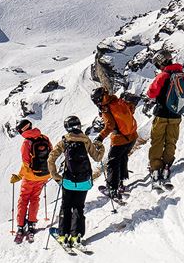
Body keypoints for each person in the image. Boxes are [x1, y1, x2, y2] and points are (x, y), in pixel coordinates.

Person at [48, 115, 103, 248]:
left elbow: (51, 159)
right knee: (79, 207)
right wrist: (100, 147)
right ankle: (76, 236)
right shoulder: (86, 140)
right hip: (84, 182)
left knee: (66, 207)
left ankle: (63, 235)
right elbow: (97, 158)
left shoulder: (64, 141)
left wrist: (56, 177)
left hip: (68, 182)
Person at [146, 53, 184, 187]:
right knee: (171, 140)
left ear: (161, 63)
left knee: (157, 140)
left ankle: (155, 168)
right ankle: (167, 165)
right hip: (176, 114)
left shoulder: (163, 76)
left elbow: (151, 93)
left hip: (161, 114)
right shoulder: (181, 75)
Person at [91, 88, 139, 199]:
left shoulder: (106, 108)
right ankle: (121, 183)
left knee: (112, 163)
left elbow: (110, 126)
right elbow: (131, 110)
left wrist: (100, 137)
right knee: (122, 158)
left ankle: (112, 189)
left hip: (119, 139)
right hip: (132, 137)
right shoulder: (118, 101)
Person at [9, 119, 52, 241]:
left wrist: (19, 176)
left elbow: (26, 164)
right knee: (35, 198)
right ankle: (32, 223)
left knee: (23, 200)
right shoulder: (44, 138)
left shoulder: (26, 143)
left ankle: (21, 225)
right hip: (44, 175)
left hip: (30, 178)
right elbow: (52, 155)